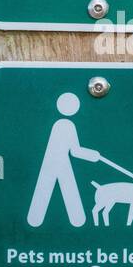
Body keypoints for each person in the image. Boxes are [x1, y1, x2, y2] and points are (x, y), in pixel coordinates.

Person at [26, 93, 99, 228]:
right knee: (62, 190)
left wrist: (92, 155)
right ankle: (36, 222)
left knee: (48, 191)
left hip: (56, 164)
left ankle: (35, 222)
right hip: (54, 164)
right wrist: (93, 155)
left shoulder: (61, 124)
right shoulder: (66, 125)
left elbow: (73, 151)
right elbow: (75, 151)